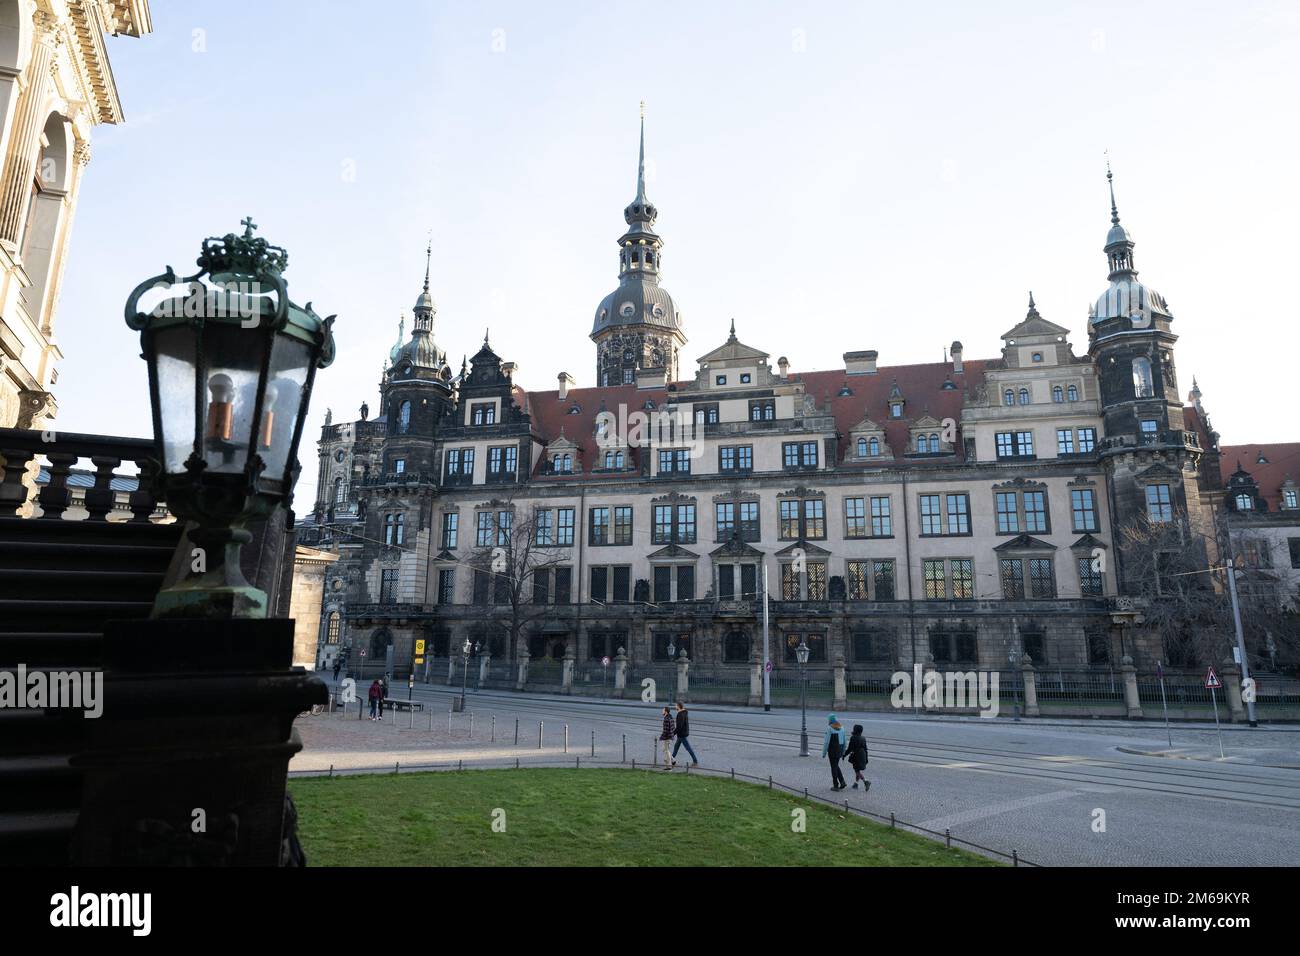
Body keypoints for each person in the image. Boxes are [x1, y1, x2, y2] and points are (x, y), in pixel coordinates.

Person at [821, 713, 847, 790]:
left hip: (832, 750)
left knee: (833, 767)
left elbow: (826, 742)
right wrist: (843, 752)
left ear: (830, 720)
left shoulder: (829, 728)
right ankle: (842, 782)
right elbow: (845, 741)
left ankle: (835, 785)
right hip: (839, 749)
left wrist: (824, 753)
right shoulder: (842, 727)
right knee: (835, 765)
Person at [671, 702, 698, 767]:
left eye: (676, 706)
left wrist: (673, 733)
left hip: (682, 734)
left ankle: (695, 761)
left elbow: (679, 726)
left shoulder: (680, 714)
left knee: (688, 748)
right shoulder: (684, 713)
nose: (675, 707)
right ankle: (671, 759)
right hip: (683, 733)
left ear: (678, 706)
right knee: (676, 747)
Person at [845, 723, 870, 791]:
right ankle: (856, 783)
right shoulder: (863, 738)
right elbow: (866, 749)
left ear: (855, 730)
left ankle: (866, 781)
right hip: (863, 755)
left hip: (856, 756)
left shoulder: (853, 737)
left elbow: (849, 749)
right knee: (857, 770)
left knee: (857, 771)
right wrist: (866, 758)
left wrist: (844, 755)